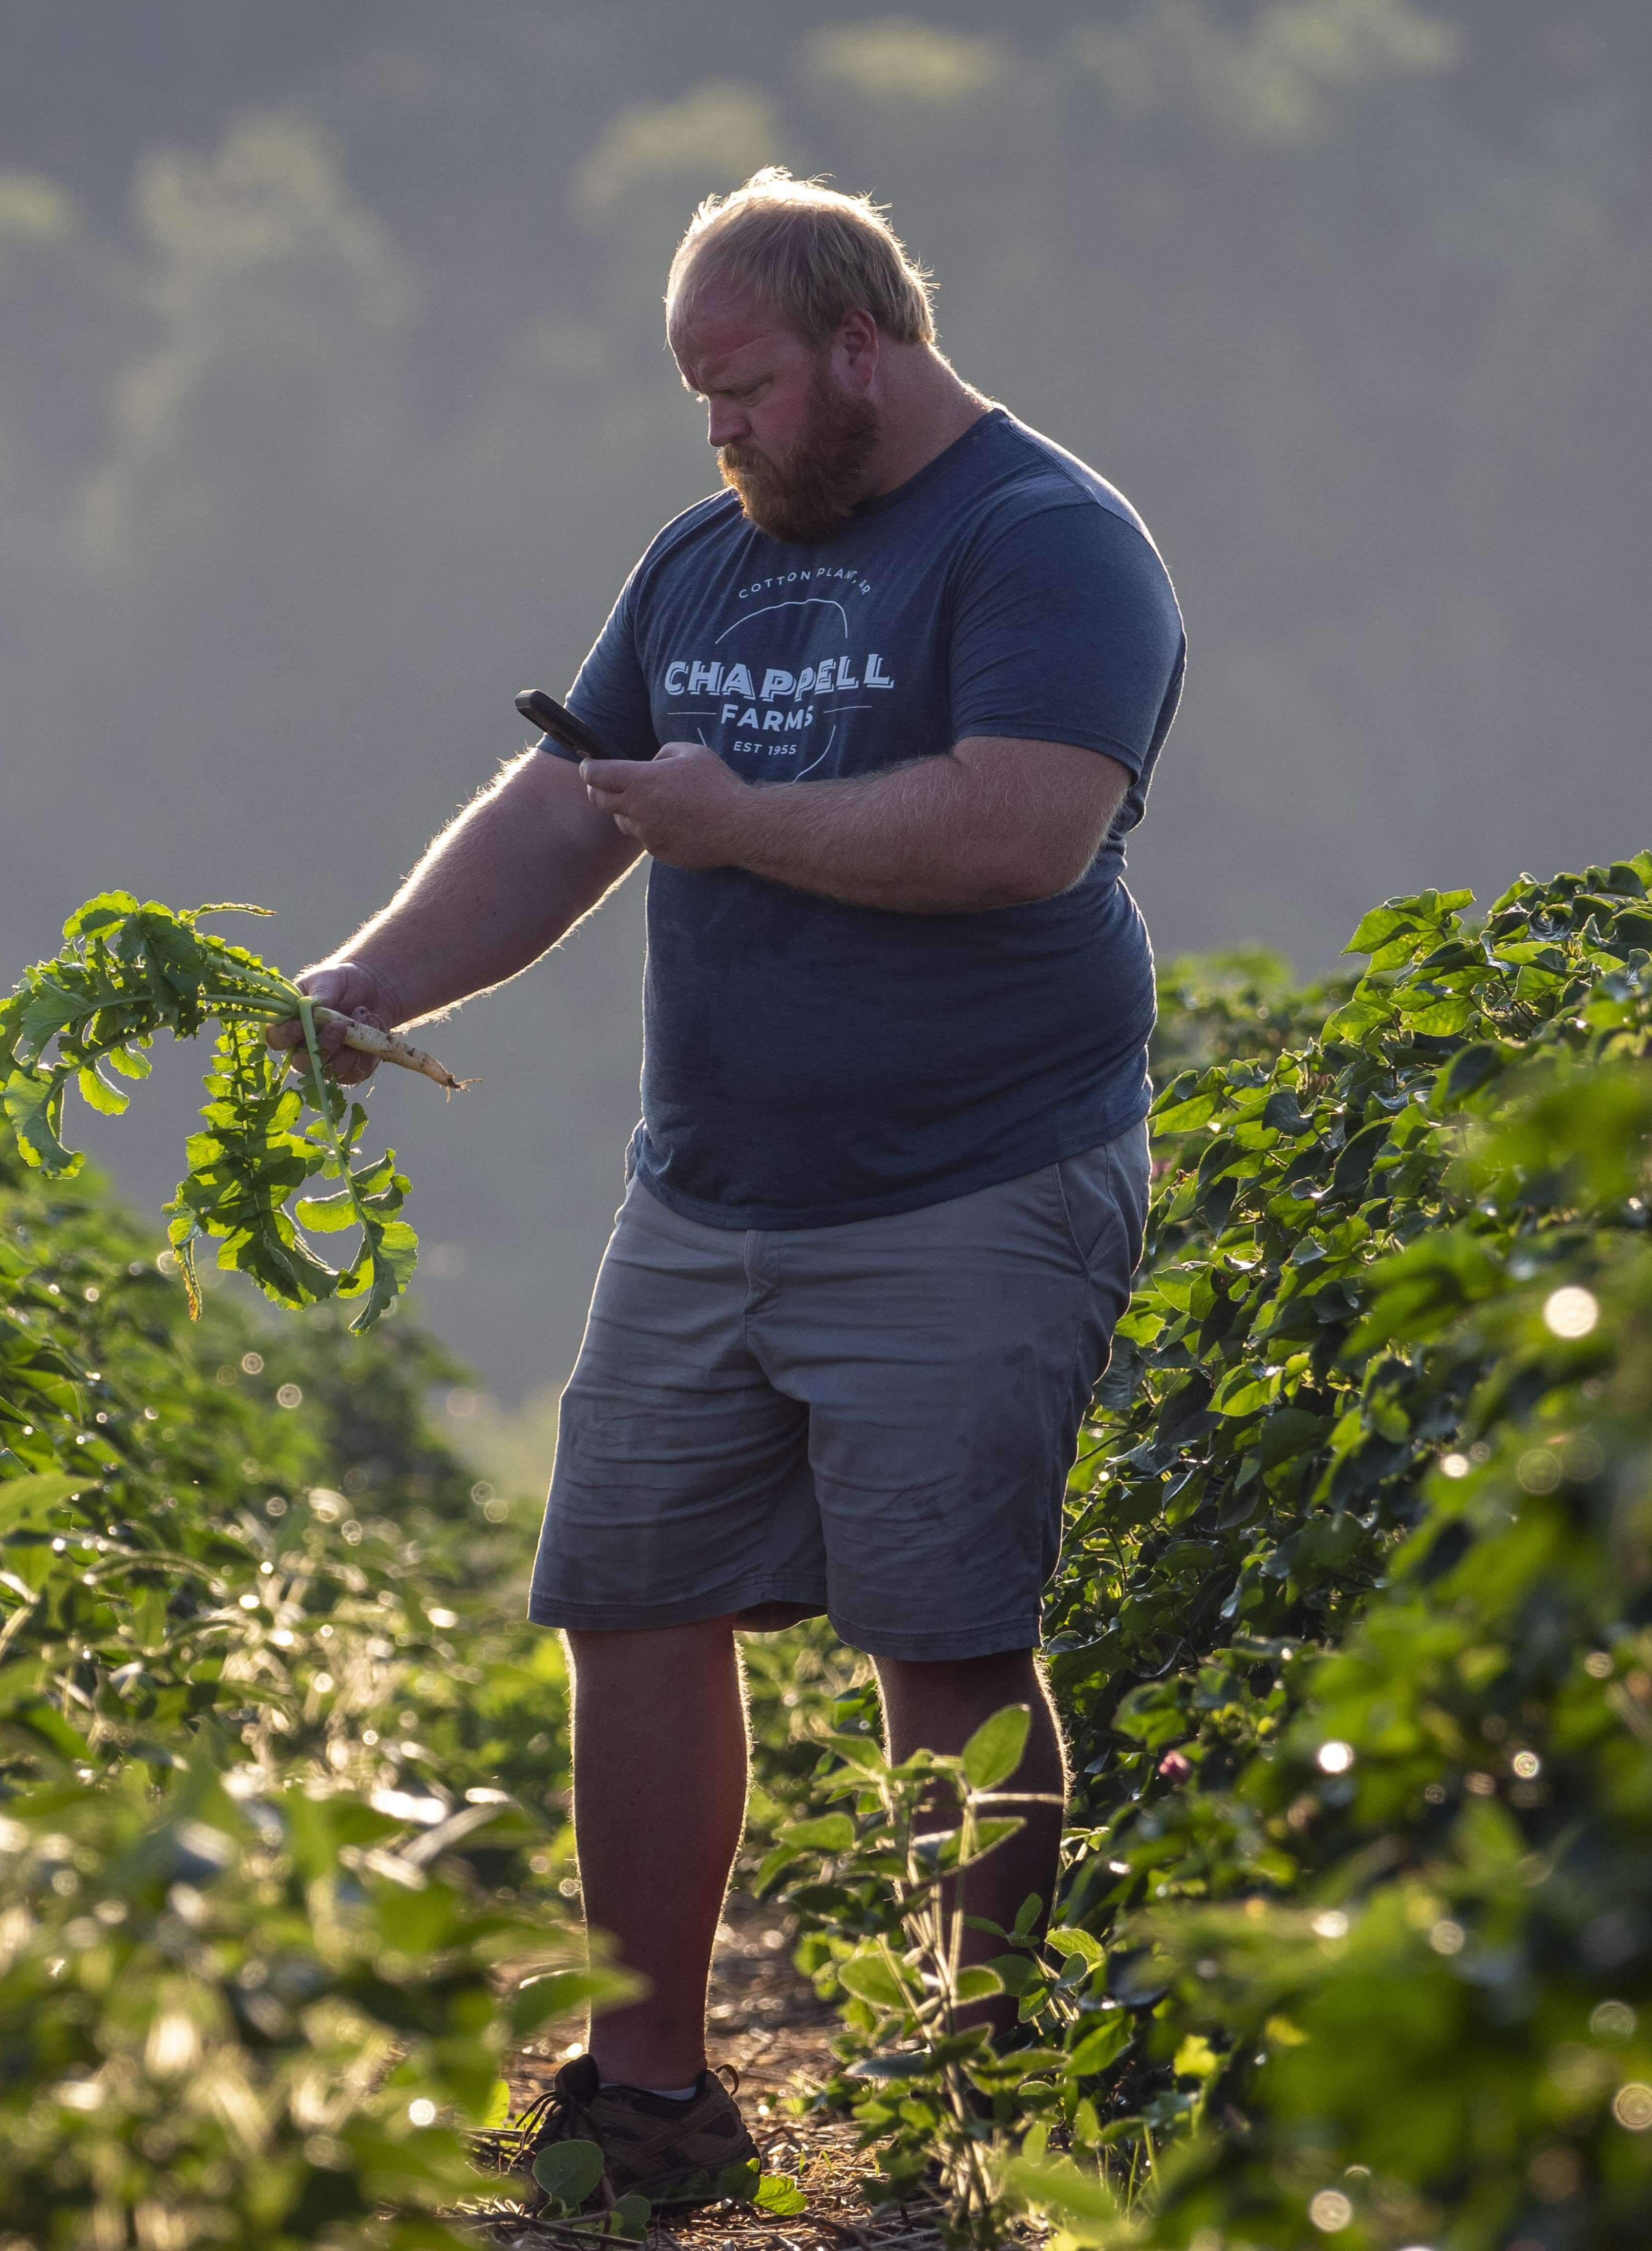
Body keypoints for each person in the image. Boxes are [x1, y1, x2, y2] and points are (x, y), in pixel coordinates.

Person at [284, 169, 1184, 2205]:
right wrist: (378, 973)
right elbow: (561, 810)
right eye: (700, 397)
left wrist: (742, 821)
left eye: (748, 387)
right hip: (711, 1189)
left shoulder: (1048, 544)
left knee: (945, 1639)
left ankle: (984, 2093)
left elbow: (1024, 830)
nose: (723, 432)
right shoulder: (706, 563)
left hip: (972, 1180)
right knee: (627, 1596)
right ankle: (656, 2096)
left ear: (863, 347)